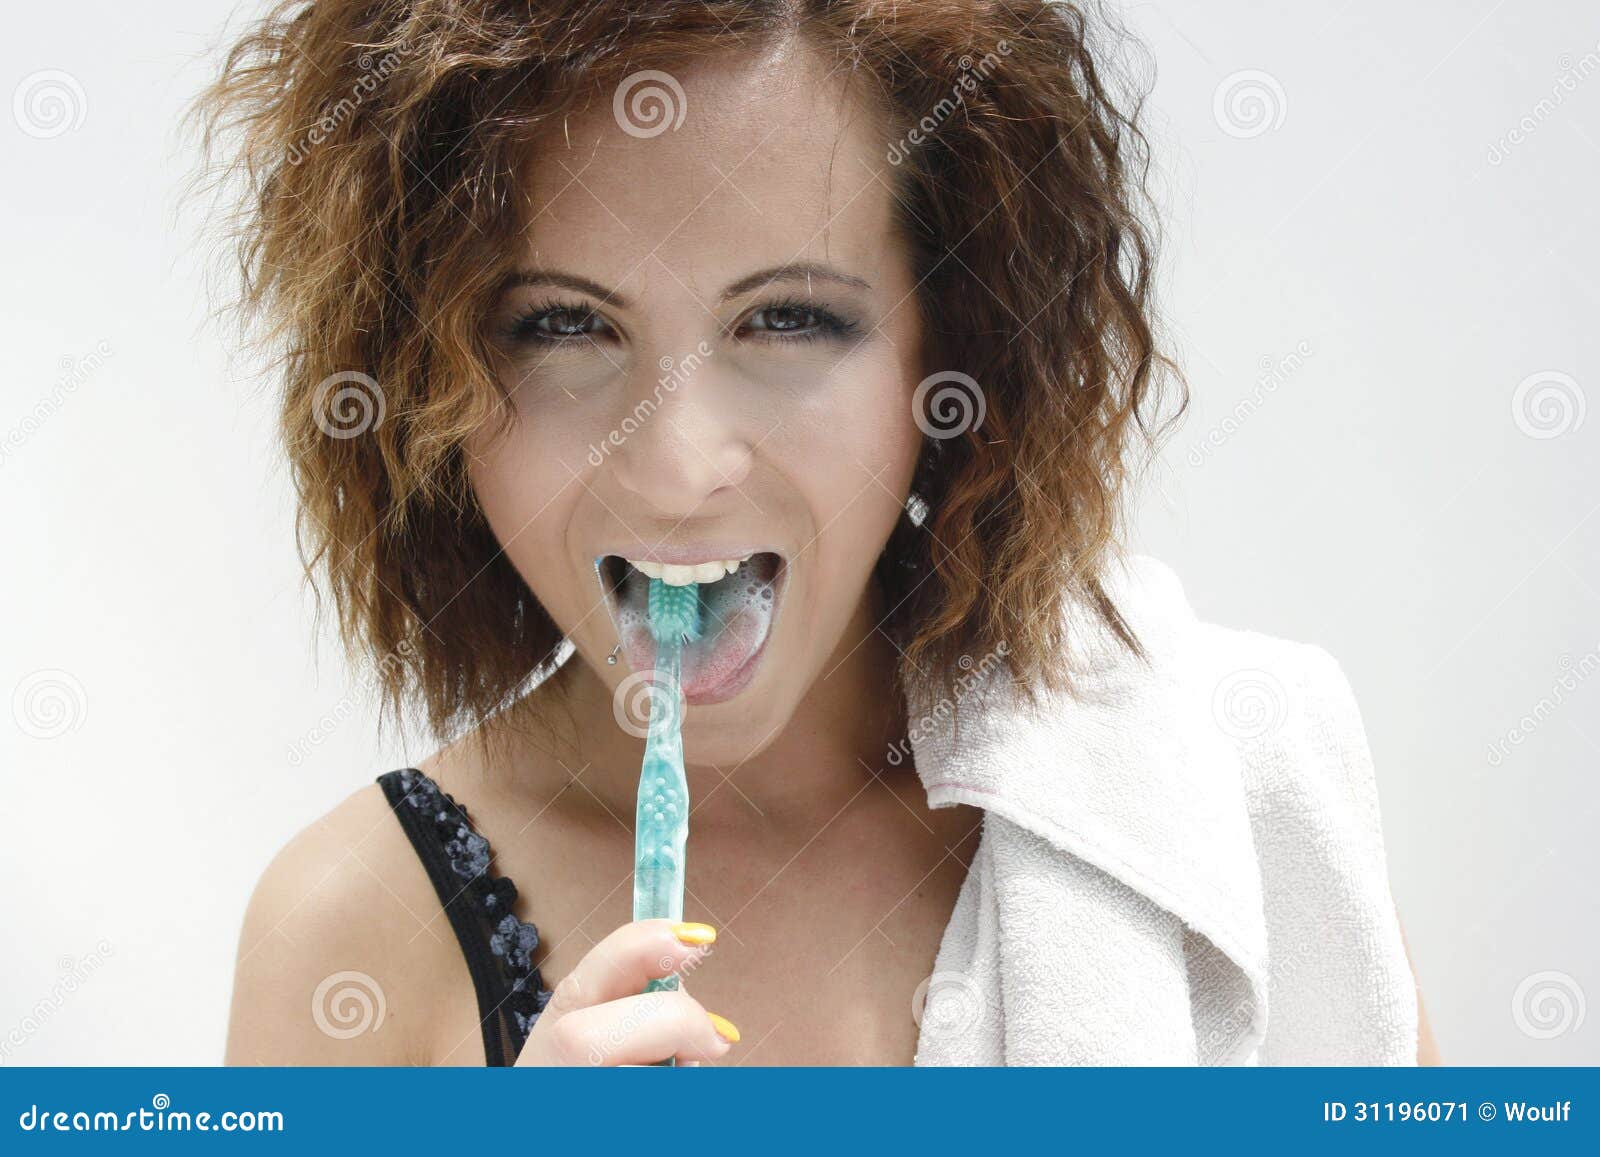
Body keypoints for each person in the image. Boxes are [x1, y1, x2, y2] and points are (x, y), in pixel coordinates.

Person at [191, 0, 1438, 1066]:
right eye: (564, 327)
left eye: (787, 319)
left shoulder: (1221, 789)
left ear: (945, 348)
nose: (680, 472)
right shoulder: (354, 934)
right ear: (427, 375)